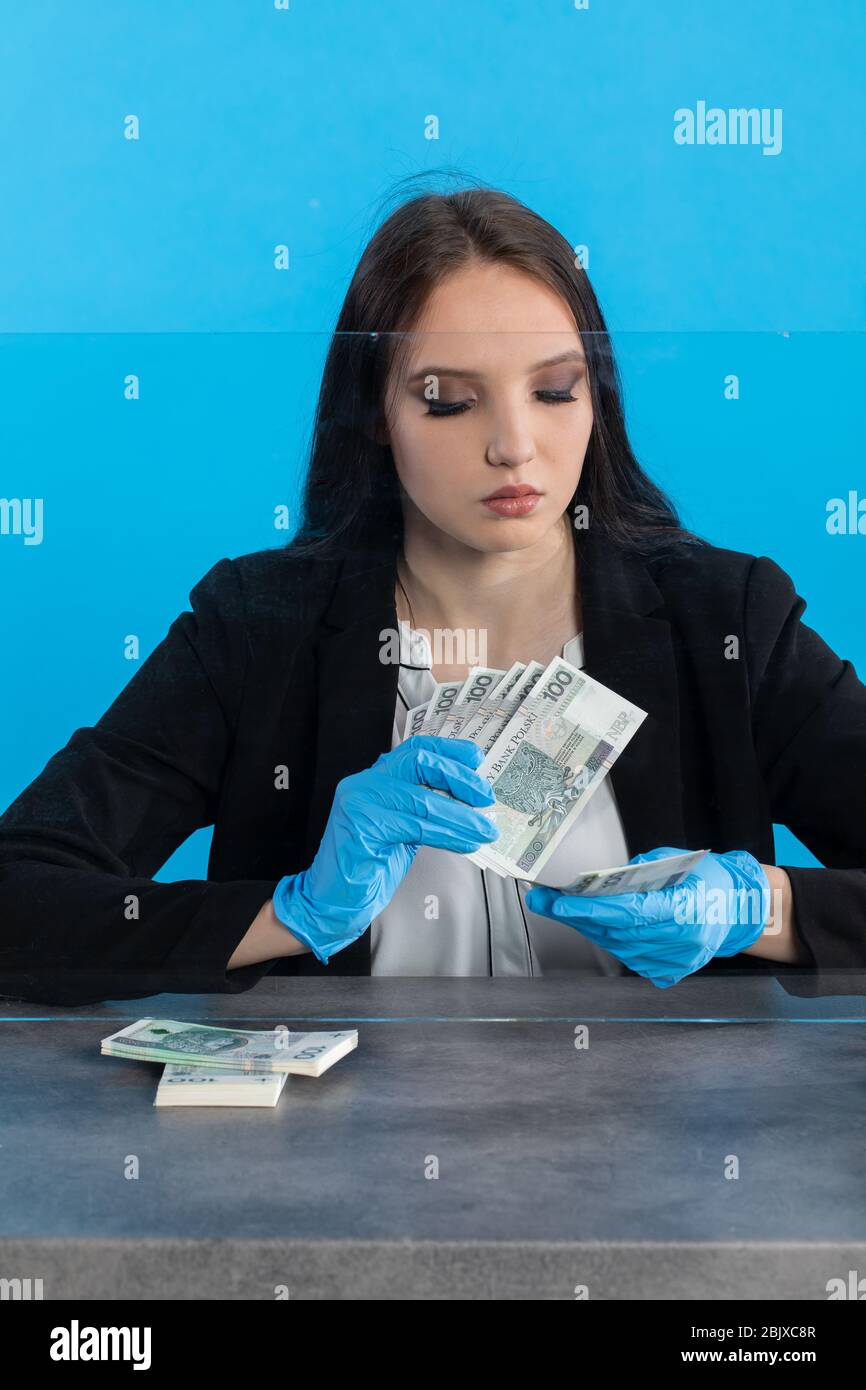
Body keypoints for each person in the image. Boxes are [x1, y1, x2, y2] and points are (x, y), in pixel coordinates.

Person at [1, 182, 864, 1006]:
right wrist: (290, 914)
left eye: (555, 390)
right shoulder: (256, 630)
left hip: (667, 1148)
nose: (514, 447)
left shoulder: (728, 620)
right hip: (325, 1150)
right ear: (376, 414)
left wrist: (770, 909)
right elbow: (19, 900)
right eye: (449, 401)